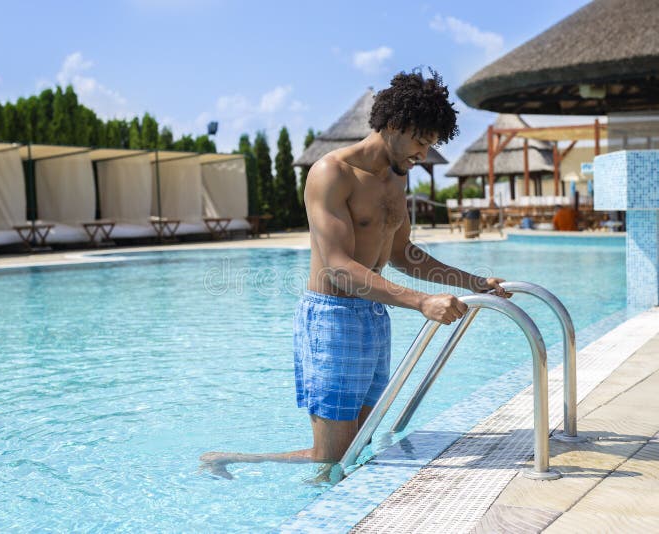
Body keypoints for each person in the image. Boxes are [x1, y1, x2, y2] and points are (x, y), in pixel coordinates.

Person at [200, 70, 509, 479]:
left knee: (356, 447)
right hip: (333, 318)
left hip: (373, 316)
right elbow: (338, 267)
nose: (424, 152)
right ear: (394, 124)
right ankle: (227, 459)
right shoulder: (332, 173)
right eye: (421, 140)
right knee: (330, 456)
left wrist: (475, 282)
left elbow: (403, 255)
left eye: (431, 143)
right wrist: (421, 301)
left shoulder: (397, 179)